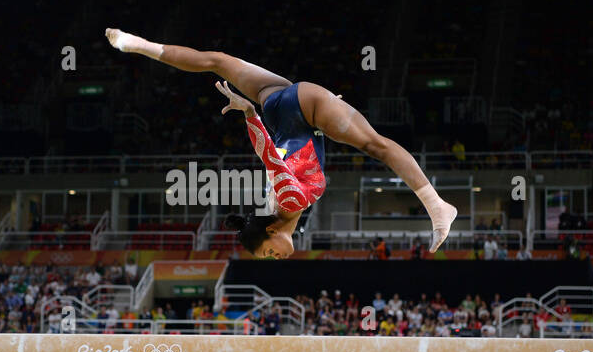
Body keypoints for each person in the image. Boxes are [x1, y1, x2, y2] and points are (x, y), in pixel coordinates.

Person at [105, 28, 458, 257]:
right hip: (284, 109)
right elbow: (283, 160)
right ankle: (137, 44)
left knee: (375, 146)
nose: (276, 258)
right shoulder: (282, 209)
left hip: (299, 111)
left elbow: (271, 158)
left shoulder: (287, 203)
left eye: (269, 253)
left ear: (272, 231)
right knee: (217, 62)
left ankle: (436, 205)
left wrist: (248, 114)